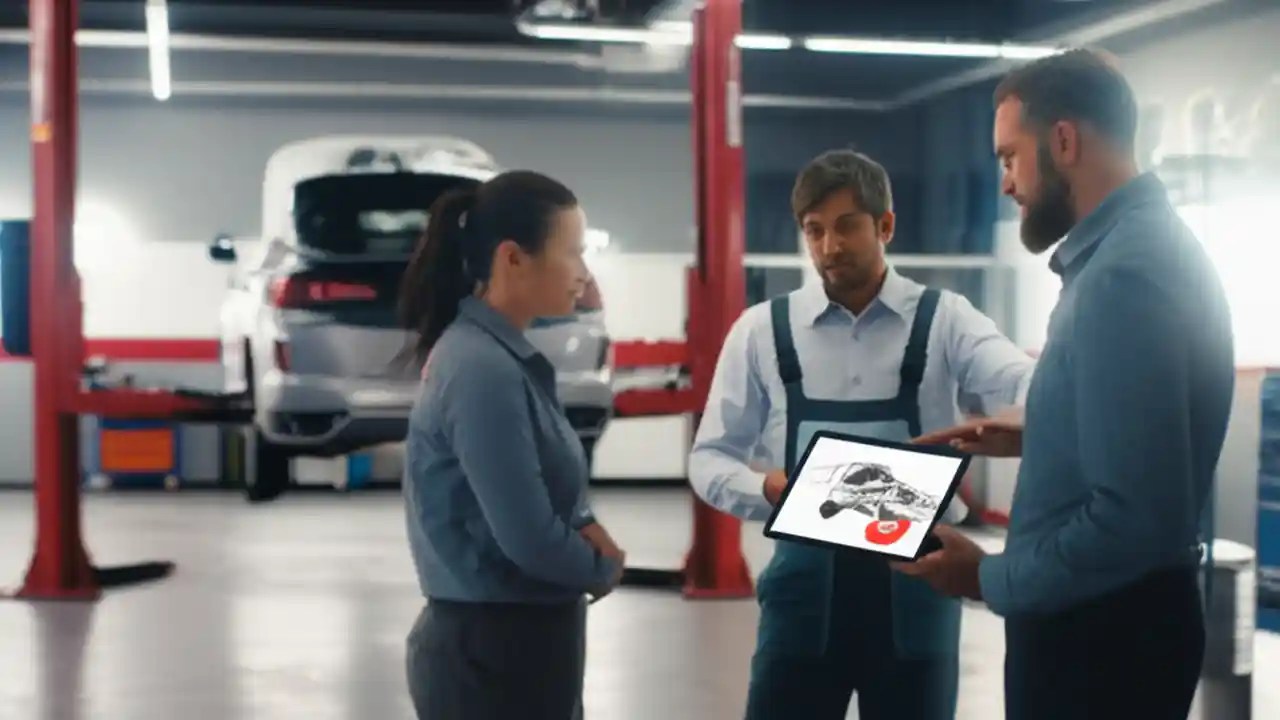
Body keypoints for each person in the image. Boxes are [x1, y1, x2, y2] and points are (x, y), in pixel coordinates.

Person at [895, 49, 1235, 720]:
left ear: (1064, 141)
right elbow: (1149, 439)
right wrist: (1043, 431)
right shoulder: (1136, 252)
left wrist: (986, 577)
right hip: (1113, 629)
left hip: (1100, 644)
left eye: (1008, 157)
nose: (1005, 184)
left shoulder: (1121, 278)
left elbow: (1134, 520)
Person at [688, 149, 1036, 720]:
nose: (830, 247)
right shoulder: (761, 331)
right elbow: (710, 459)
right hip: (802, 601)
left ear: (886, 225)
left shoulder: (946, 320)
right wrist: (771, 489)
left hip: (918, 597)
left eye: (847, 226)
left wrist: (1027, 418)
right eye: (814, 230)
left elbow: (1029, 384)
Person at [397, 170, 627, 720]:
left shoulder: (498, 357)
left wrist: (582, 517)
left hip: (516, 648)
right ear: (513, 259)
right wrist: (603, 567)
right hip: (494, 658)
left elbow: (535, 493)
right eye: (572, 253)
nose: (583, 274)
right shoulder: (482, 369)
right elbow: (530, 540)